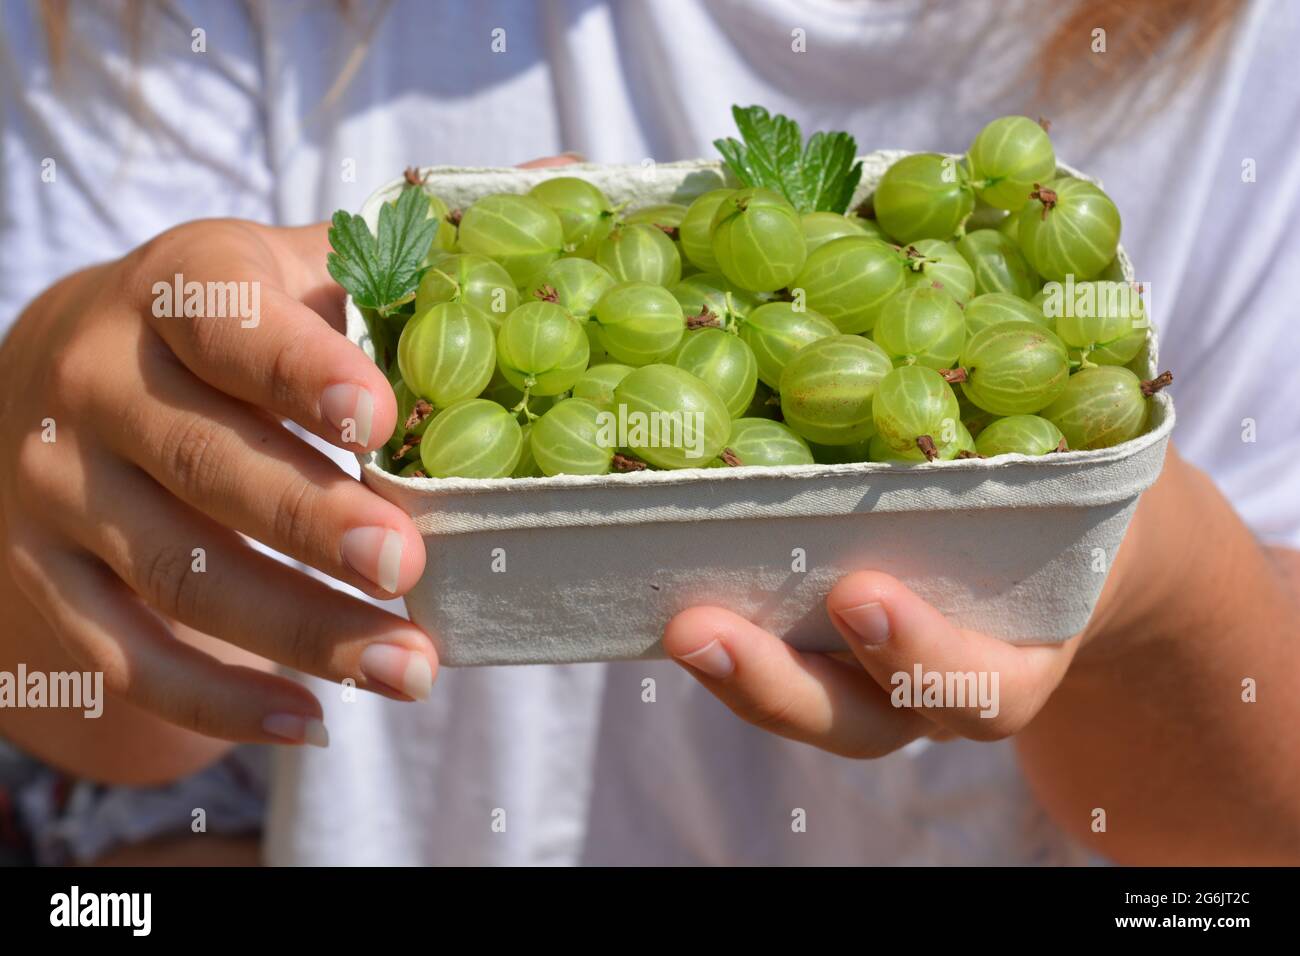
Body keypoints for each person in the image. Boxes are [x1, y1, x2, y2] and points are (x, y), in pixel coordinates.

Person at [0, 0, 1297, 866]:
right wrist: (57, 432)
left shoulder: (1252, 65)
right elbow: (112, 727)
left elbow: (1256, 832)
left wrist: (1134, 573)